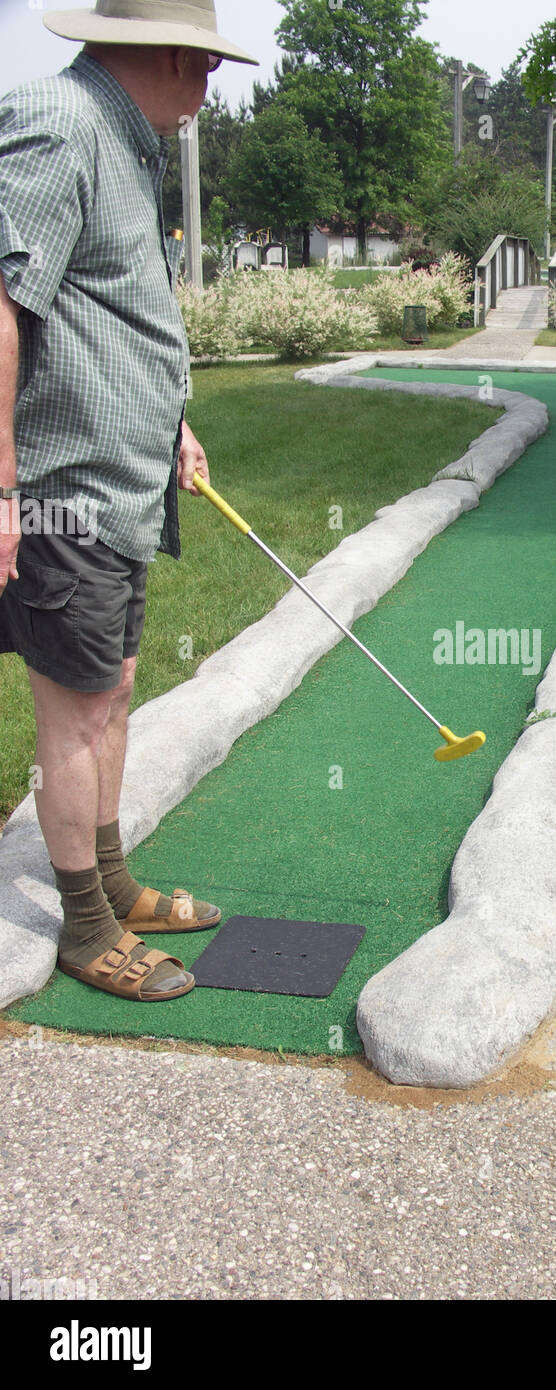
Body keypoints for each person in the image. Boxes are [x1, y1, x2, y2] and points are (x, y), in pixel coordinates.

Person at [0, 2, 257, 1001]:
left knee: (111, 687)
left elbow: (114, 305)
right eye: (204, 66)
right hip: (64, 488)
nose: (210, 88)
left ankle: (112, 881)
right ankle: (84, 927)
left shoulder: (126, 137)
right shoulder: (56, 125)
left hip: (127, 473)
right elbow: (7, 307)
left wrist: (173, 421)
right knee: (76, 709)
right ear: (161, 54)